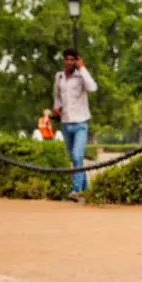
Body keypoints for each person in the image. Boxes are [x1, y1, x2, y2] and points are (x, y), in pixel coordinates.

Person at [52, 48, 97, 201]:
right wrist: (56, 108)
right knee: (74, 159)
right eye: (68, 59)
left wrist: (82, 67)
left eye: (73, 60)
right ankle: (84, 189)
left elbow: (92, 87)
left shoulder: (81, 77)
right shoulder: (59, 77)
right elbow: (57, 96)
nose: (70, 62)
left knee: (78, 156)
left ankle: (76, 190)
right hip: (66, 122)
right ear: (64, 60)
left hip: (81, 123)